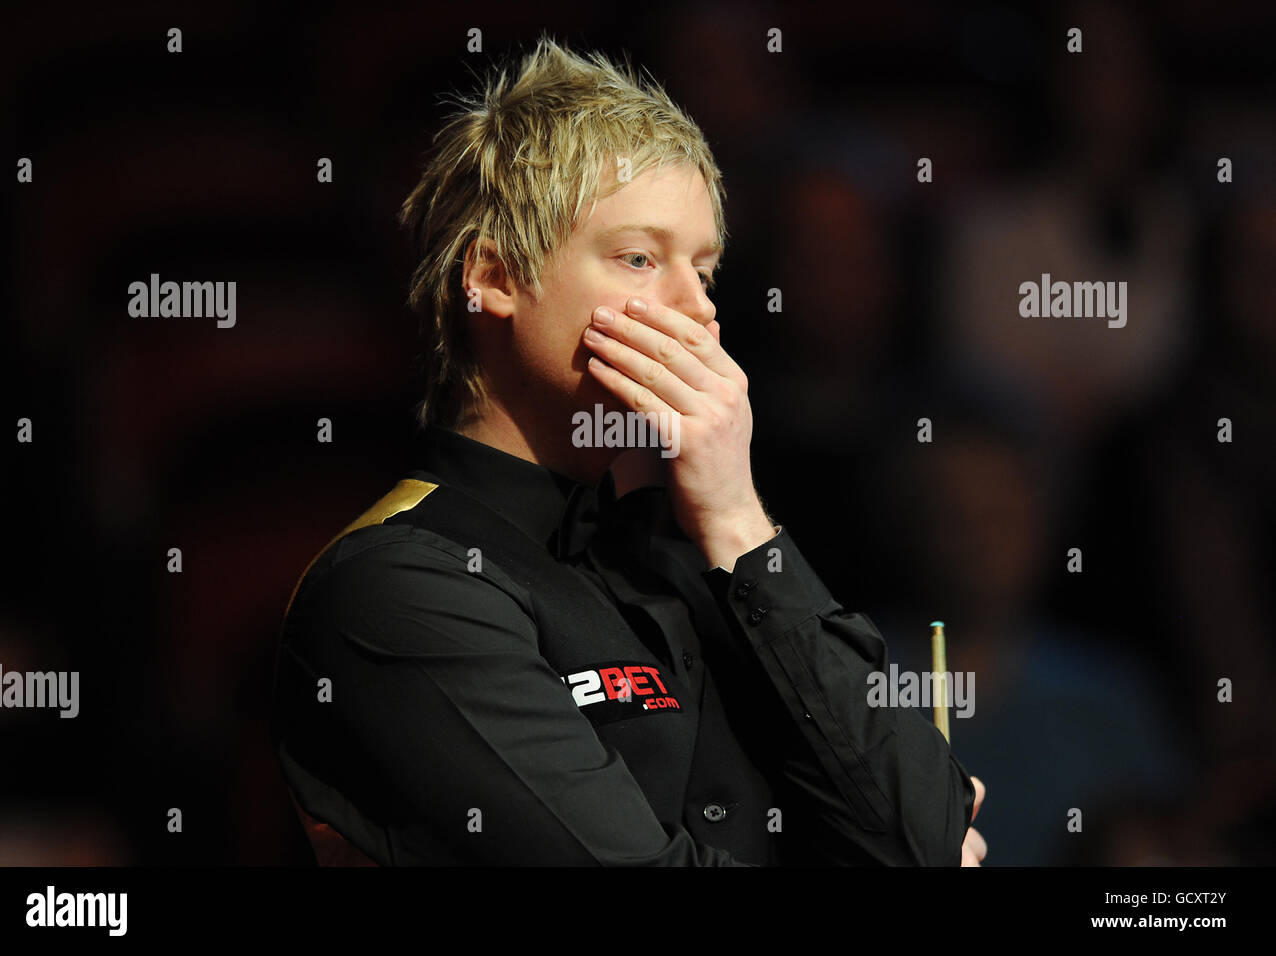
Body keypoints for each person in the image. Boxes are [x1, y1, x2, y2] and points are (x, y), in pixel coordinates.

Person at [270, 35, 986, 866]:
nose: (697, 310)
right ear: (495, 278)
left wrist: (735, 516)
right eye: (640, 259)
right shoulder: (393, 588)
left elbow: (923, 833)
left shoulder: (699, 553)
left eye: (707, 272)